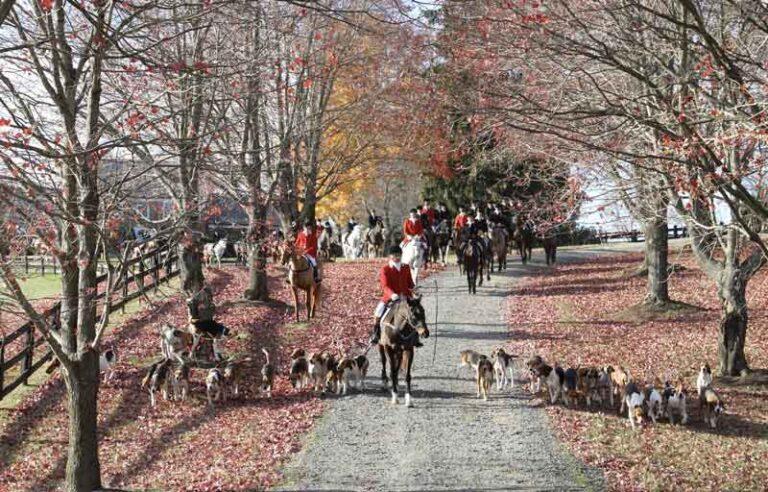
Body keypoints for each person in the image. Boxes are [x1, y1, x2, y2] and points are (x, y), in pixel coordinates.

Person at [369, 245, 421, 347]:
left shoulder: (405, 267)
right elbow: (385, 286)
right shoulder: (385, 269)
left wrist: (414, 288)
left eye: (399, 255)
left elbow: (409, 282)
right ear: (390, 256)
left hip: (405, 297)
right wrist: (392, 294)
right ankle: (376, 334)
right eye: (395, 255)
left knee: (417, 312)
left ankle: (416, 337)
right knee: (377, 313)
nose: (397, 257)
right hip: (390, 298)